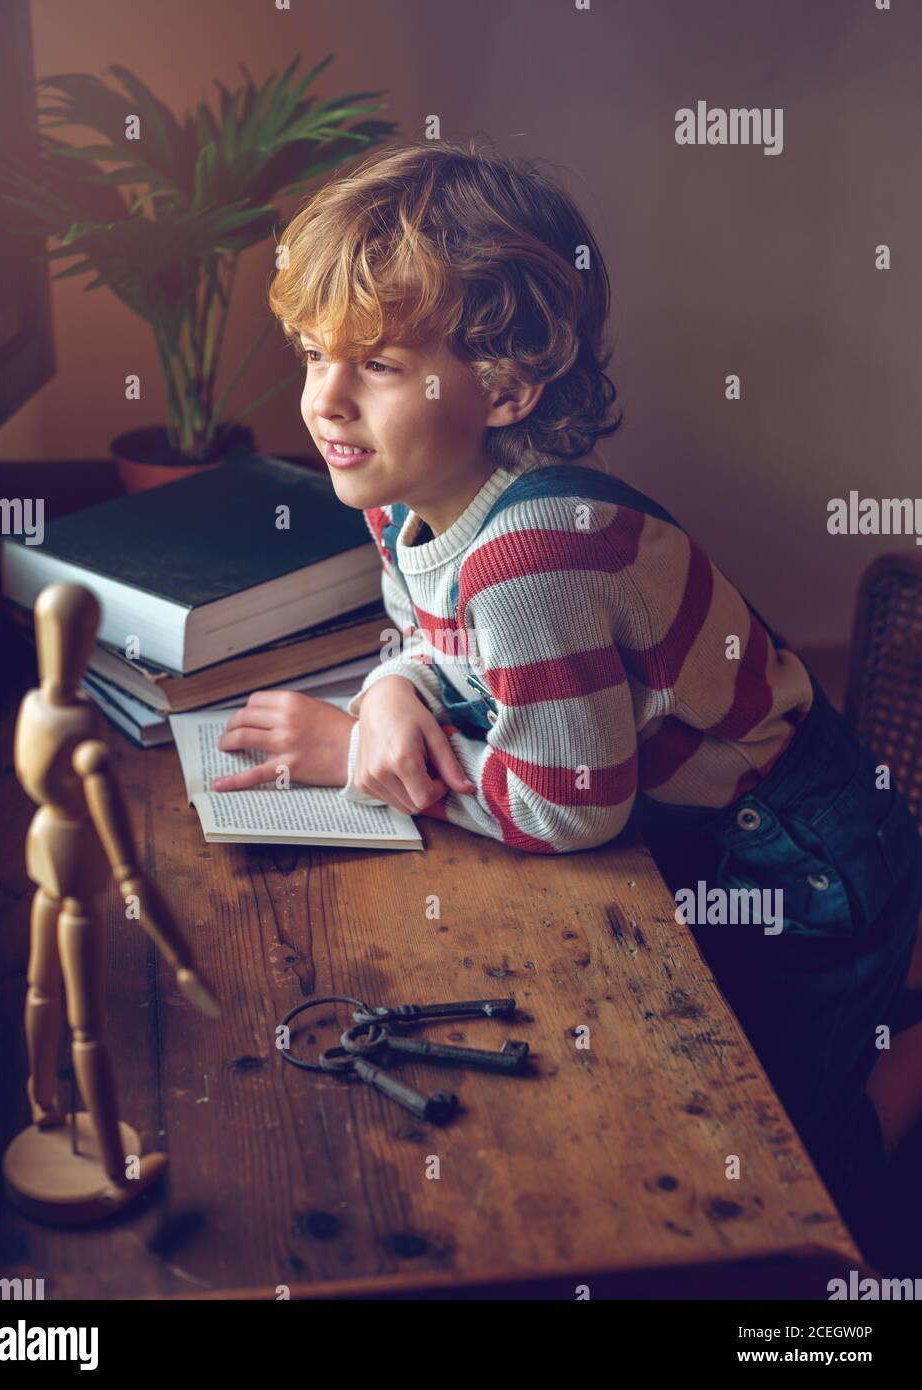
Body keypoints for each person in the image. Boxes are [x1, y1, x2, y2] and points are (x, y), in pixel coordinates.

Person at [215, 136, 922, 1239]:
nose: (326, 402)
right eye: (314, 354)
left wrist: (362, 755)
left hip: (809, 855)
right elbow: (427, 635)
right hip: (706, 829)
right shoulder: (407, 497)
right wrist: (395, 690)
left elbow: (571, 808)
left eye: (380, 366)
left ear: (508, 385)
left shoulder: (529, 558)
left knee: (800, 1148)